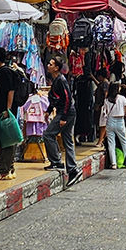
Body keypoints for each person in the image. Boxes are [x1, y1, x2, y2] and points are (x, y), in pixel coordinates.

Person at [0, 48, 26, 180]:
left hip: (5, 111)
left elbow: (11, 91)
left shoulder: (4, 72)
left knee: (6, 139)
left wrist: (7, 110)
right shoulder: (2, 72)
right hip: (5, 110)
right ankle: (9, 168)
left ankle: (3, 171)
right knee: (7, 137)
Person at [44, 55, 79, 184]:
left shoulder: (61, 80)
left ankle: (56, 162)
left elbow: (67, 99)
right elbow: (56, 98)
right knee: (67, 140)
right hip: (66, 112)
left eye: (51, 64)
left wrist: (63, 117)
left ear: (56, 68)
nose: (48, 65)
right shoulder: (56, 80)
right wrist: (48, 111)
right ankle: (72, 169)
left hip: (66, 113)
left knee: (48, 134)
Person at [101, 82, 126, 169]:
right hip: (120, 121)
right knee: (124, 142)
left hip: (110, 121)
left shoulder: (107, 100)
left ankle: (114, 164)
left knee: (111, 143)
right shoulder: (122, 98)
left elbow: (106, 112)